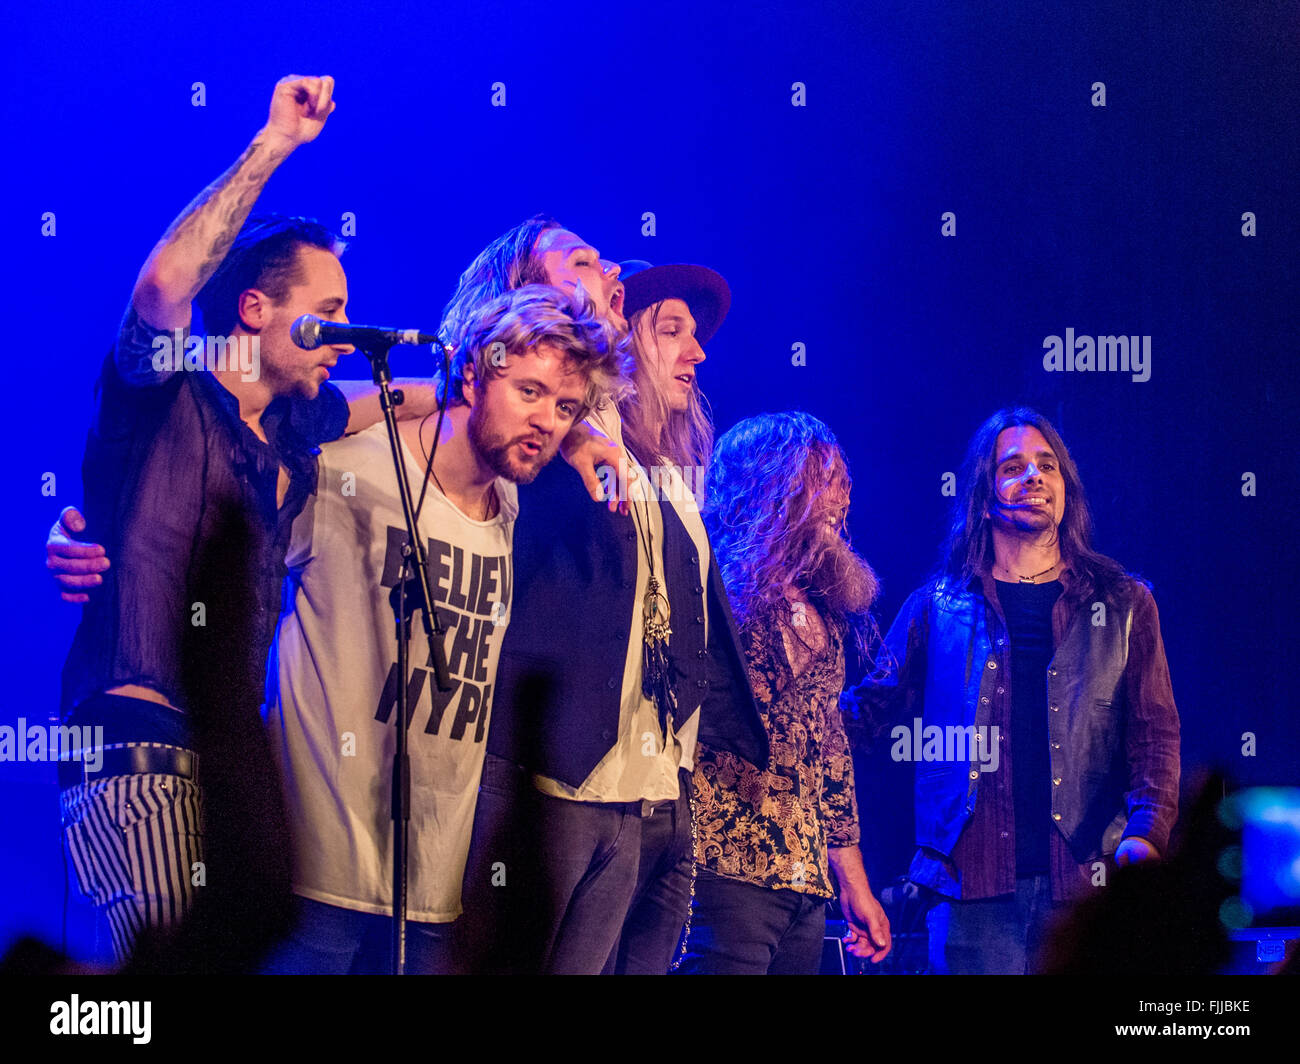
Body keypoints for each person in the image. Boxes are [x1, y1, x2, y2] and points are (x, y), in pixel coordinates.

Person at [46, 76, 444, 967]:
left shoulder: (293, 427)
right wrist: (274, 144)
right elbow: (163, 281)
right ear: (255, 310)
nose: (344, 330)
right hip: (134, 744)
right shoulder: (162, 388)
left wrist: (490, 376)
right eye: (328, 310)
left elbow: (408, 399)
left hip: (227, 764)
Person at [264, 284, 622, 973]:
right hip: (317, 873)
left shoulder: (514, 500)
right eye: (530, 391)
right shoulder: (350, 464)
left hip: (431, 889)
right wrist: (79, 538)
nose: (548, 420)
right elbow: (207, 509)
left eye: (566, 407)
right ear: (469, 372)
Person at [454, 254, 769, 975]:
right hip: (569, 780)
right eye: (672, 331)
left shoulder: (676, 480)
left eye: (697, 336)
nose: (697, 352)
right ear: (621, 337)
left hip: (657, 791)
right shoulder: (571, 443)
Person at [847, 407, 1180, 974]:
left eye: (1047, 466)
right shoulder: (937, 607)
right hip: (968, 891)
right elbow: (860, 722)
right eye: (1014, 466)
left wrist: (1146, 836)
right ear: (983, 495)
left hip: (1087, 888)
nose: (1034, 477)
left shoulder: (1125, 605)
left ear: (1065, 488)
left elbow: (1156, 740)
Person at [678, 412, 892, 974]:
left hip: (804, 883)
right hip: (720, 867)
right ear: (771, 483)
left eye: (842, 481)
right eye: (823, 480)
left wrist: (855, 883)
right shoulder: (708, 584)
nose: (840, 498)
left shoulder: (826, 608)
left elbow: (832, 753)